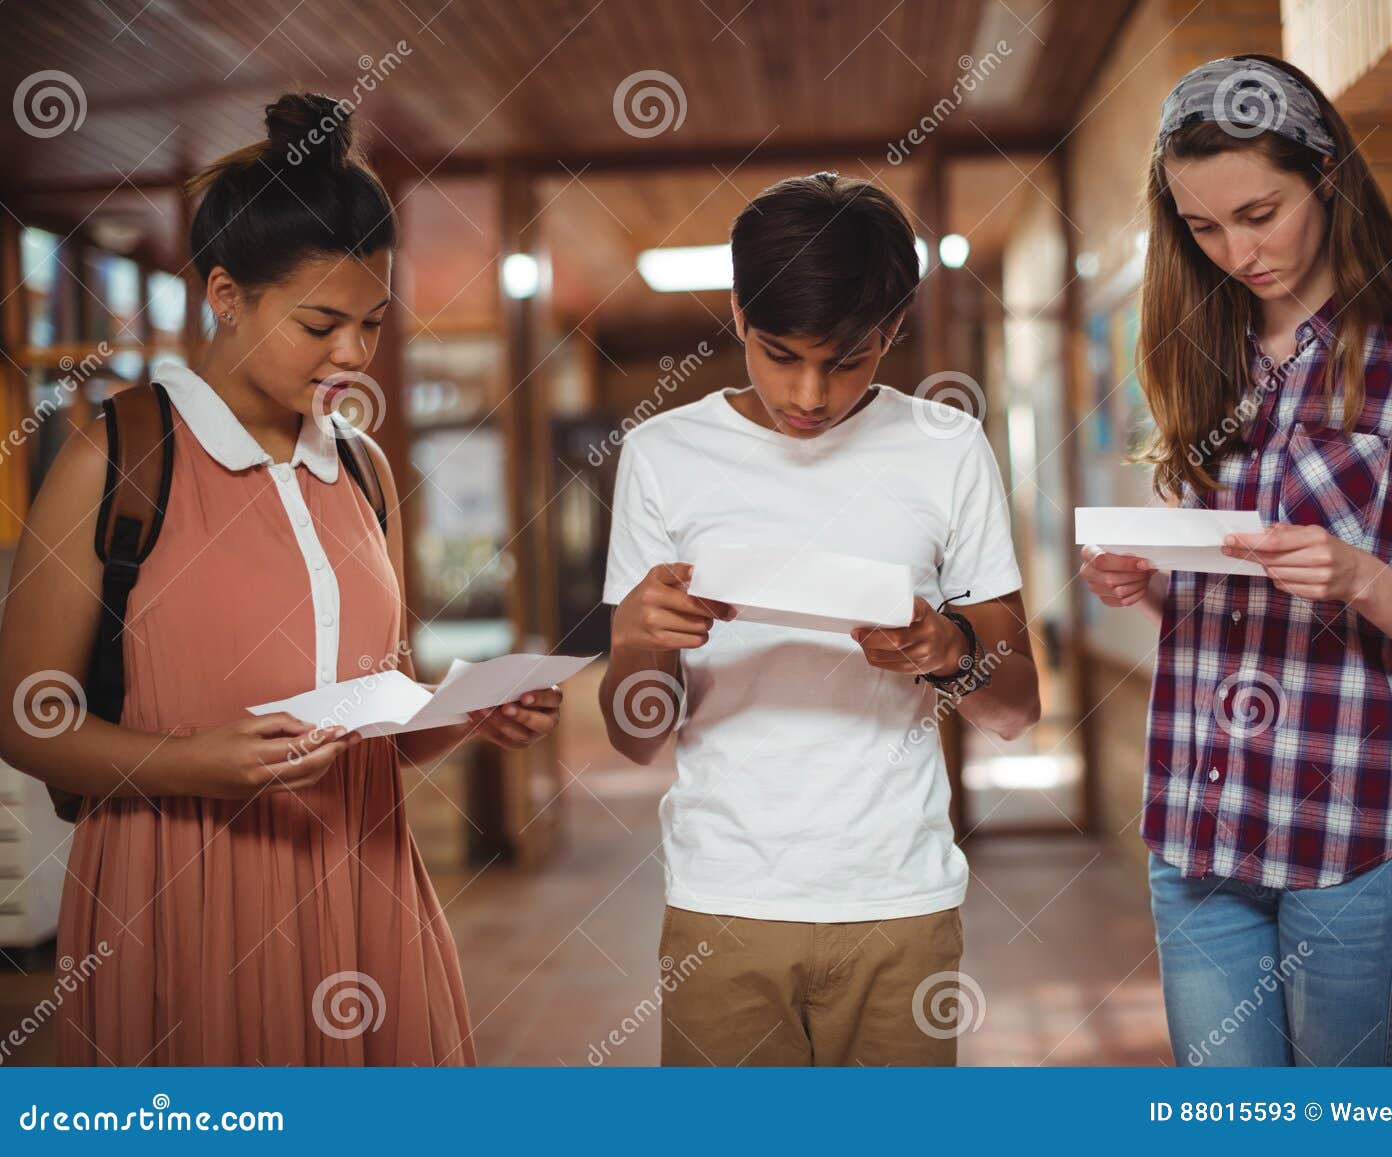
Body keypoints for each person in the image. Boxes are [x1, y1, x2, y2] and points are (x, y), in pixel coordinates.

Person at [0, 93, 561, 1065]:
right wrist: (195, 764)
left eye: (373, 323)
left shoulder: (363, 470)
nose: (352, 353)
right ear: (224, 294)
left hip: (367, 887)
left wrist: (467, 711)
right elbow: (23, 718)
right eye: (320, 323)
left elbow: (373, 727)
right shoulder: (122, 453)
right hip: (178, 891)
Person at [1080, 54, 1392, 1066]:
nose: (1236, 250)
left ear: (1326, 176)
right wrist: (1157, 591)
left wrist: (1360, 575)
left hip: (1355, 843)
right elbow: (1235, 610)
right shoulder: (1199, 358)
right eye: (1202, 227)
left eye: (1259, 212)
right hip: (1197, 831)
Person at [599, 173, 1040, 1066]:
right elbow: (632, 737)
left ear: (894, 330)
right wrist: (642, 641)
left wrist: (946, 648)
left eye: (846, 360)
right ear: (736, 312)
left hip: (899, 903)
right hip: (726, 903)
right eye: (779, 354)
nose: (808, 394)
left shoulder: (945, 449)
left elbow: (1018, 705)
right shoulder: (661, 456)